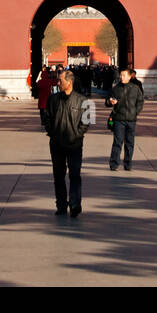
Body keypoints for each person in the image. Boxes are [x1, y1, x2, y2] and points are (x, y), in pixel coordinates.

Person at [45, 69, 90, 217]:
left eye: (60, 81)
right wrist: (53, 133)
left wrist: (77, 135)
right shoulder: (53, 99)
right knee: (58, 176)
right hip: (57, 144)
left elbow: (87, 122)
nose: (58, 83)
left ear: (69, 82)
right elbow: (47, 118)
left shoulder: (83, 101)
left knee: (75, 175)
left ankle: (75, 204)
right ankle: (61, 205)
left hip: (75, 144)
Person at [107, 67, 144, 171]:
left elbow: (140, 101)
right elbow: (107, 101)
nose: (121, 77)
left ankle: (128, 164)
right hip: (119, 119)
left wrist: (135, 112)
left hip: (131, 120)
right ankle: (114, 164)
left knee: (130, 143)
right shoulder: (116, 88)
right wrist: (110, 102)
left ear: (129, 76)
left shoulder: (135, 88)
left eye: (124, 75)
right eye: (121, 75)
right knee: (117, 142)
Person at [36, 67, 56, 132]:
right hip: (48, 99)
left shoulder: (40, 82)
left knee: (42, 112)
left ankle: (43, 121)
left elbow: (37, 86)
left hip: (41, 99)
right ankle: (47, 122)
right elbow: (55, 83)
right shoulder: (49, 81)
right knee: (47, 112)